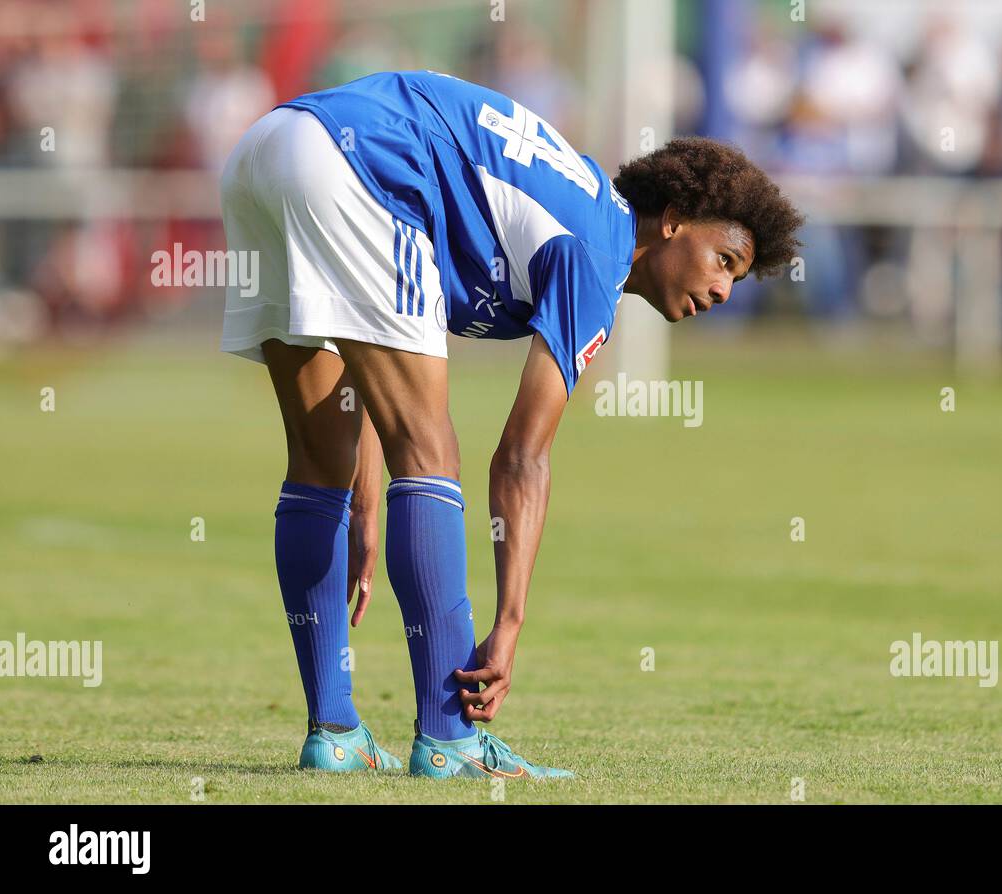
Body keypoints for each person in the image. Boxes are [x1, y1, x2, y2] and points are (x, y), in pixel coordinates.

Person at [218, 70, 803, 778]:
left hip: (268, 149)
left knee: (319, 463)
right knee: (431, 452)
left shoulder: (573, 205)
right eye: (725, 261)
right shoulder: (598, 250)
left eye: (735, 280)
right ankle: (449, 741)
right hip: (359, 162)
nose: (720, 290)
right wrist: (511, 622)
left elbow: (361, 348)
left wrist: (366, 500)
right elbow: (521, 459)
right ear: (673, 219)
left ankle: (334, 733)